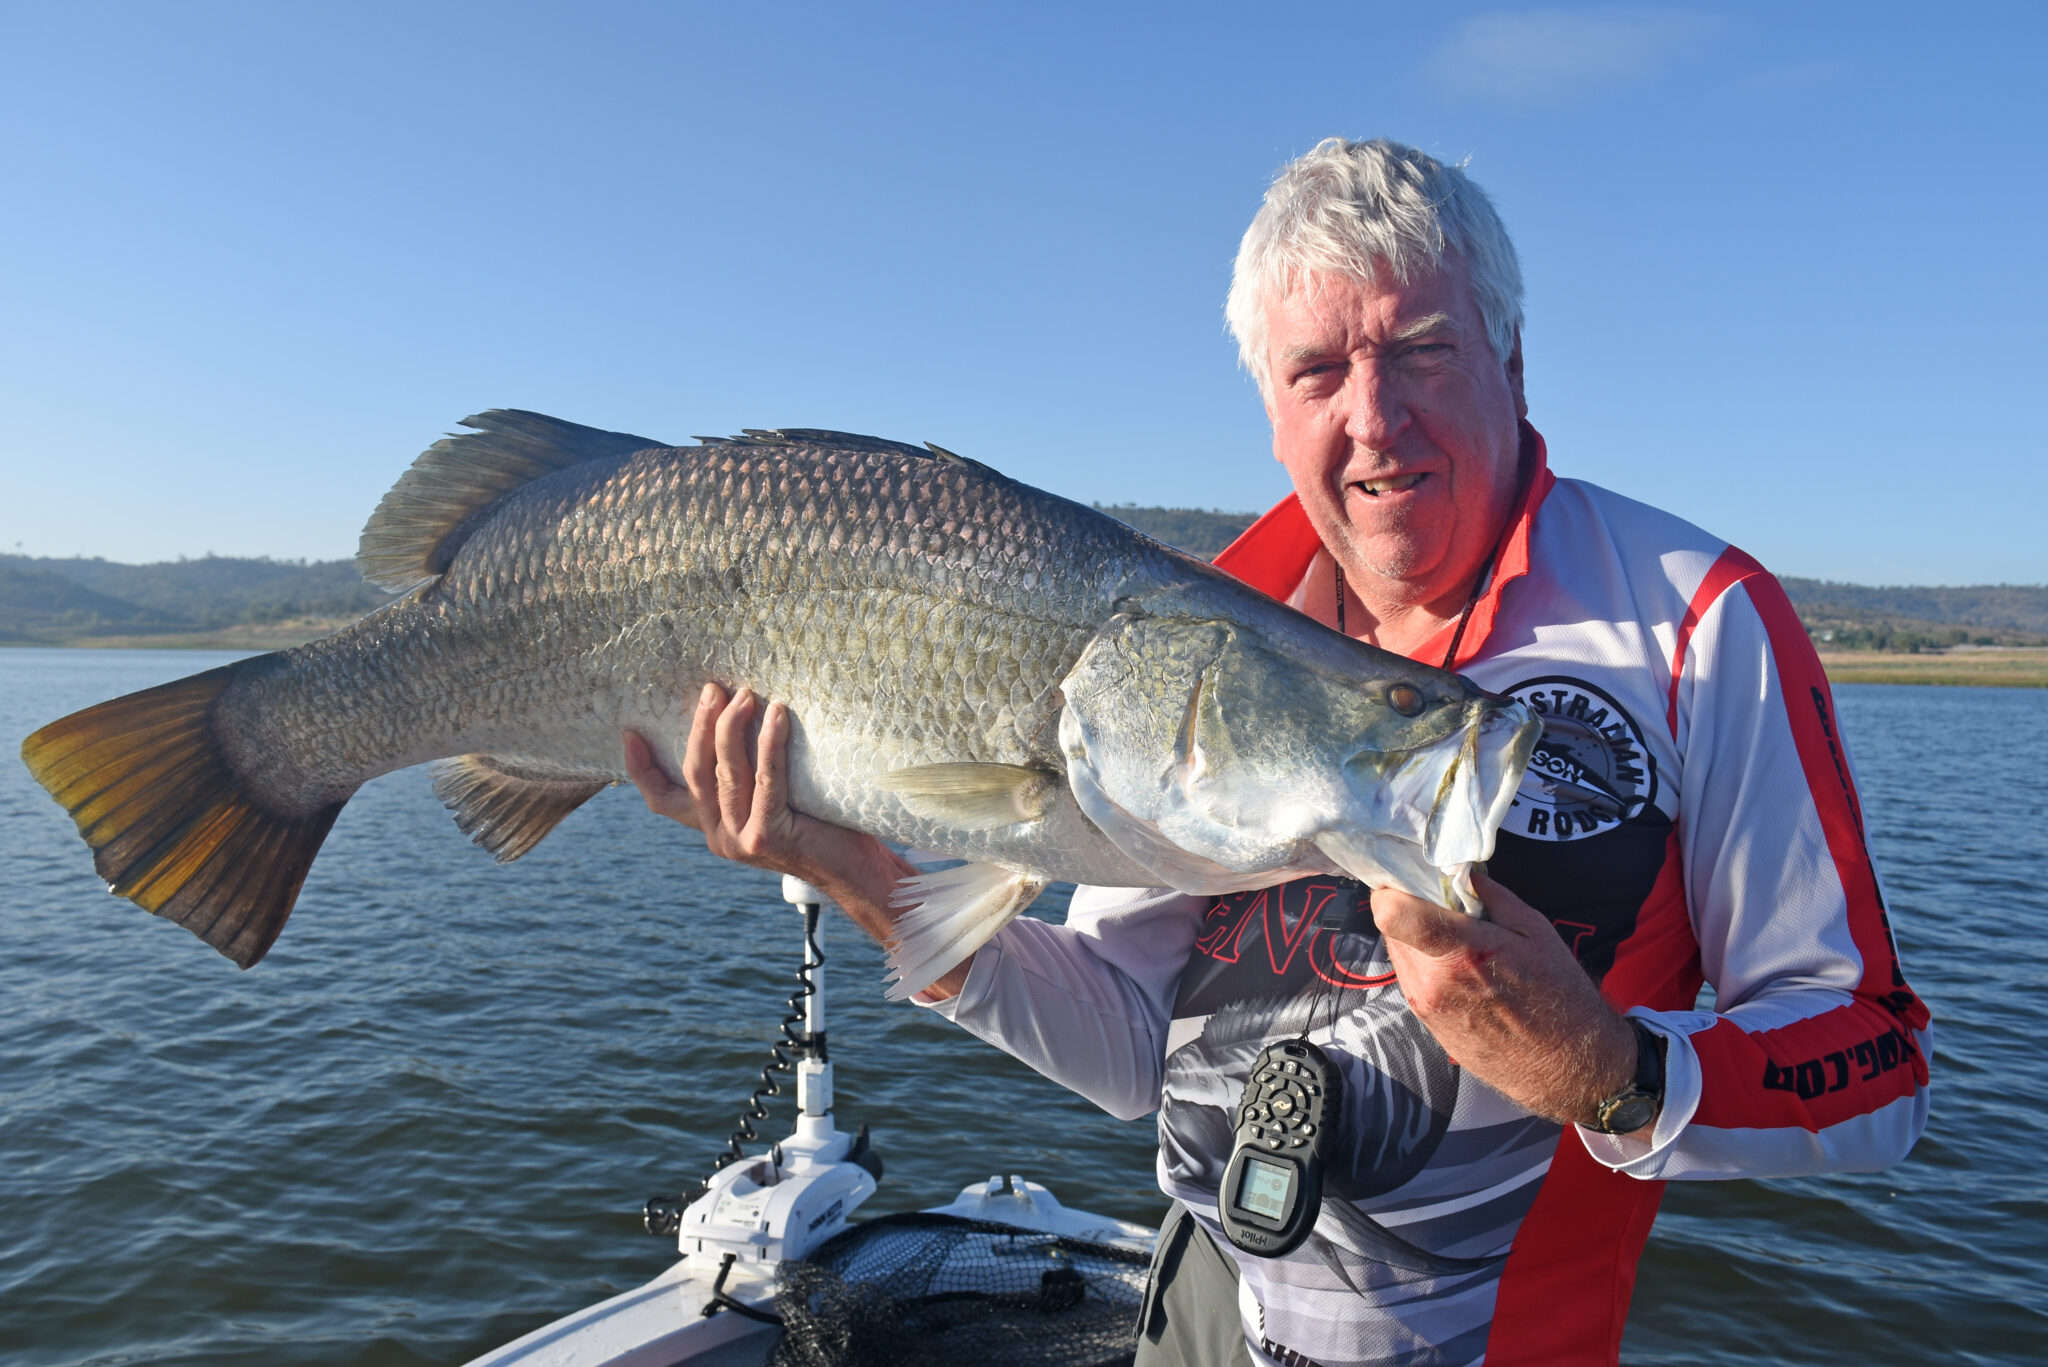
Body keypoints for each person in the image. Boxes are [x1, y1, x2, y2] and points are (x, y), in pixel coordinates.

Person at [621, 138, 1931, 1366]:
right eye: (1318, 373)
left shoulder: (1695, 623)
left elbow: (1878, 1066)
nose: (1375, 417)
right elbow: (1133, 1046)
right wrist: (862, 876)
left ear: (1514, 363)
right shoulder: (1193, 632)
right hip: (1198, 1313)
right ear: (1269, 408)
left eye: (1421, 352)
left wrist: (1618, 1071)